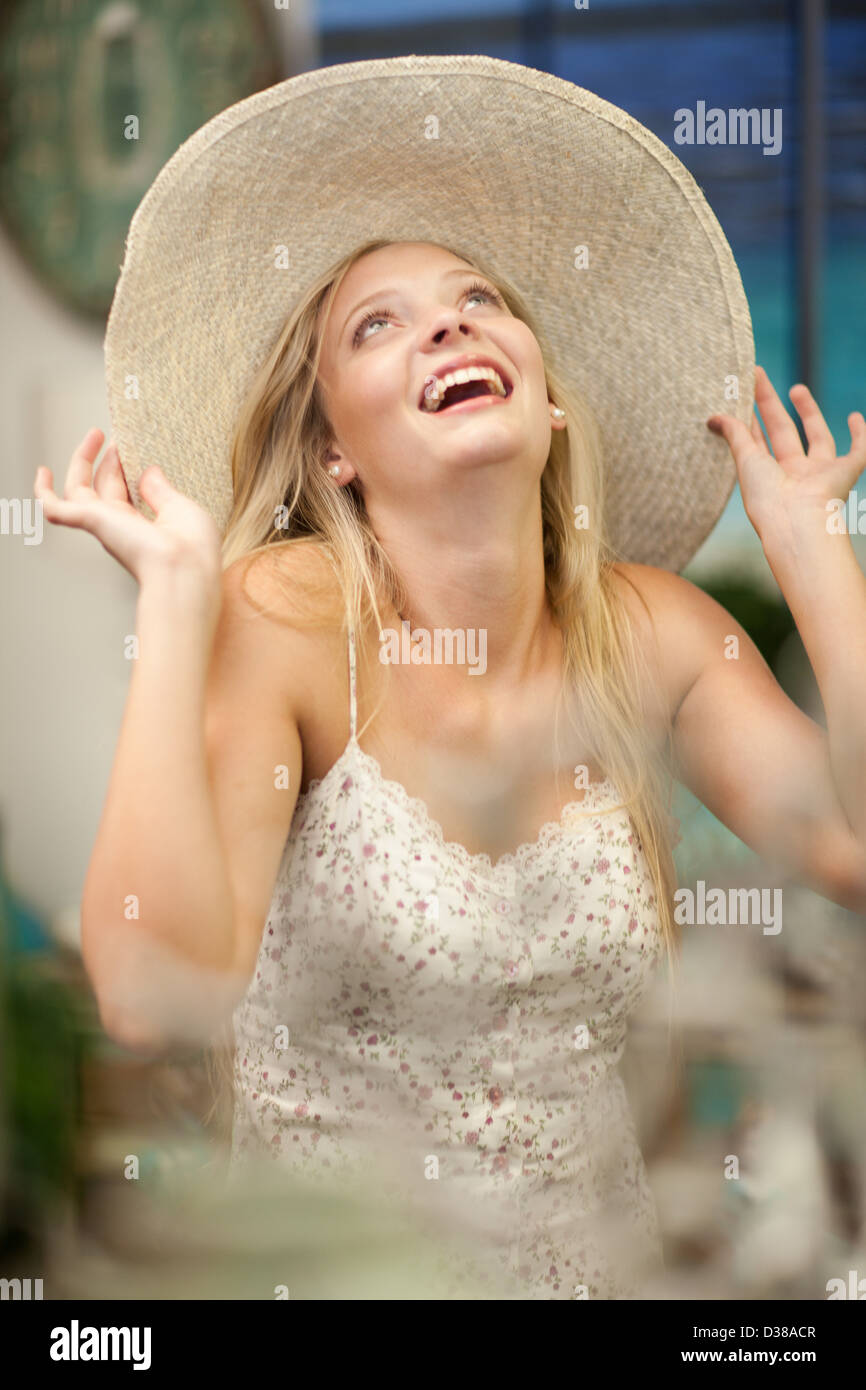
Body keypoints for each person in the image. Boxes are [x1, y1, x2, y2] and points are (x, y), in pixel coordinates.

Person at [32, 56, 866, 1300]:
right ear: (334, 448)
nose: (448, 322)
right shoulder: (284, 621)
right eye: (379, 322)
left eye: (478, 298)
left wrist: (810, 549)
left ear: (551, 402)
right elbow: (157, 995)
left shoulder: (655, 633)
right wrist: (176, 599)